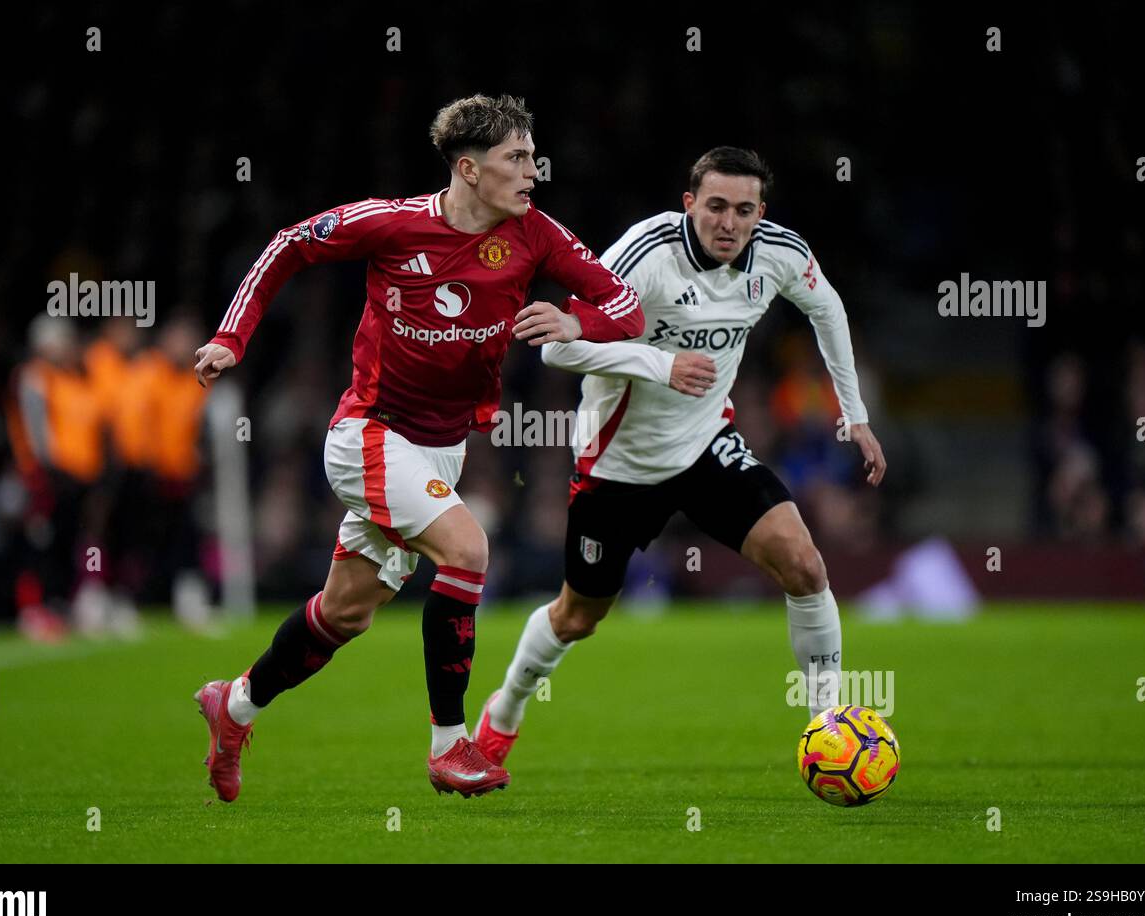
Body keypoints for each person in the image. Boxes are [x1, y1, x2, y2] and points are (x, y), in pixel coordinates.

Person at [190, 94, 644, 801]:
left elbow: (626, 308)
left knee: (345, 613)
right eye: (516, 159)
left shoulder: (537, 235)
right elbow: (288, 245)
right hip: (369, 433)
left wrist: (573, 317)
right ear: (468, 169)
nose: (533, 171)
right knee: (468, 551)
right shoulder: (392, 223)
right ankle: (449, 746)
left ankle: (236, 705)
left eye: (532, 156)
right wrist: (230, 338)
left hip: (441, 450)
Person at [474, 147, 886, 766]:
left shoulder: (779, 254)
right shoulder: (645, 255)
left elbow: (827, 309)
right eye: (716, 206)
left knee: (805, 566)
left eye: (743, 210)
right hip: (617, 464)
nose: (728, 222)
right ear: (690, 204)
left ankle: (828, 728)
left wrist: (854, 414)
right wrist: (660, 363)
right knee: (578, 616)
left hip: (705, 446)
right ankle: (505, 707)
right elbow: (559, 349)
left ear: (759, 213)